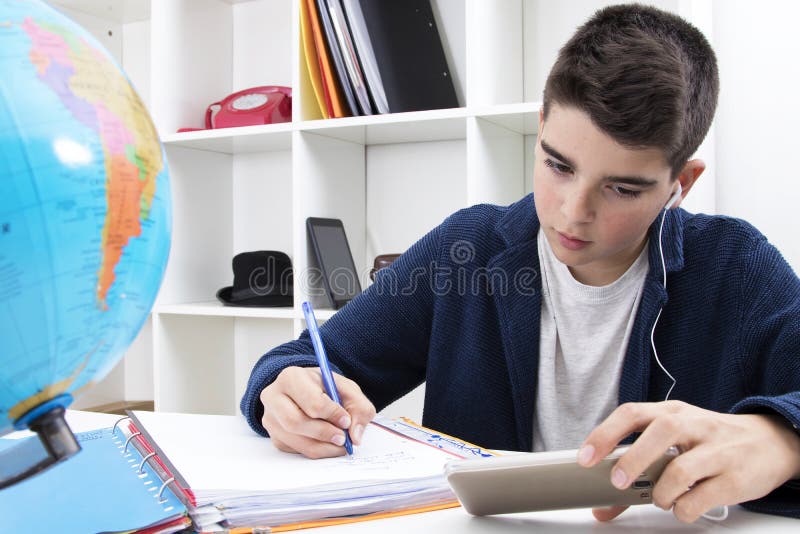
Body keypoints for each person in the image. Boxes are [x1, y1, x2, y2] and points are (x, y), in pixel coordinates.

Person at [241, 3, 800, 523]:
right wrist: (285, 389)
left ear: (682, 184)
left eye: (623, 189)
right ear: (541, 127)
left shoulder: (738, 267)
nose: (573, 213)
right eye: (558, 165)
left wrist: (782, 439)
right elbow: (304, 359)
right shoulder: (467, 249)